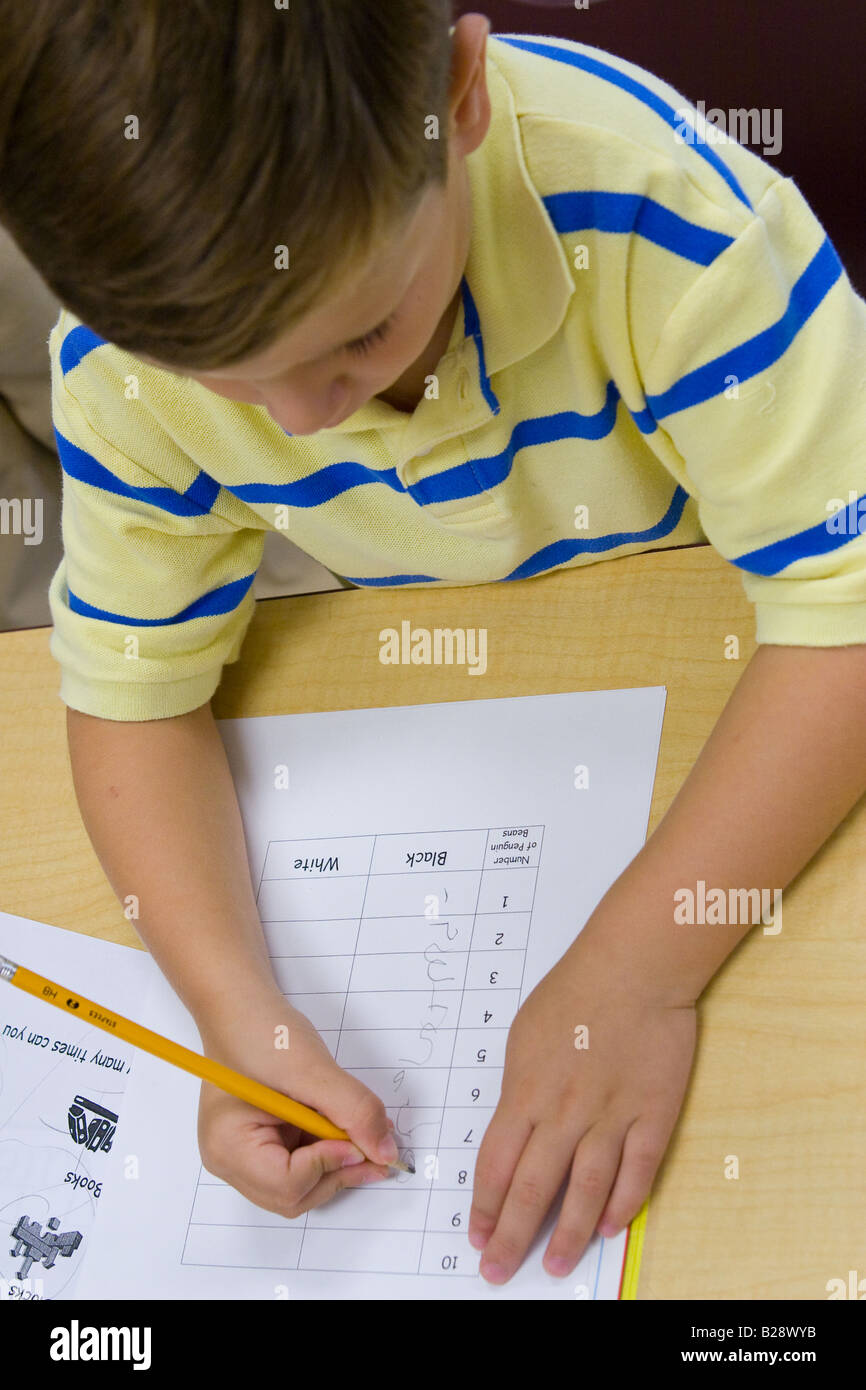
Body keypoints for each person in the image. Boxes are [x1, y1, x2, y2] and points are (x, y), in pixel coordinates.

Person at [1, 2, 864, 1286]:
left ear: (457, 97)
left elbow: (846, 608)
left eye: (358, 336)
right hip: (477, 659)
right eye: (231, 385)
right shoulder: (124, 354)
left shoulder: (664, 217)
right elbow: (130, 693)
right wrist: (231, 1010)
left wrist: (634, 974)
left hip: (713, 653)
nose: (300, 419)